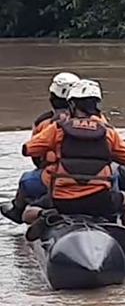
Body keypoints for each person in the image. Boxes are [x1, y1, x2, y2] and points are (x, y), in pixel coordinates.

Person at [20, 79, 125, 231]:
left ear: (72, 105)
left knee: (27, 213)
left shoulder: (58, 128)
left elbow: (28, 149)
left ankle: (46, 215)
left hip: (63, 201)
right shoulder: (108, 131)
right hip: (100, 202)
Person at [2, 72, 80, 223]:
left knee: (26, 181)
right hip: (98, 178)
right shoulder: (98, 121)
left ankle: (17, 211)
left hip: (55, 179)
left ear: (52, 97)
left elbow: (34, 154)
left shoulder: (46, 123)